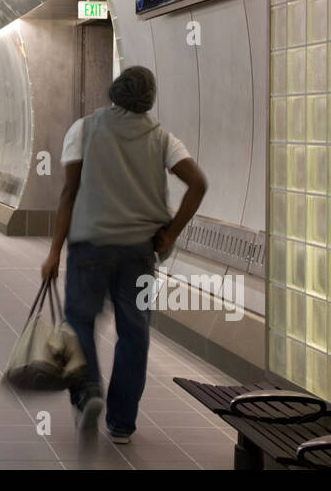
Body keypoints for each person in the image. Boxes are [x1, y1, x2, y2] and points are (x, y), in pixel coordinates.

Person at [40, 65, 208, 443]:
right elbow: (198, 183)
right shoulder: (162, 138)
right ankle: (122, 424)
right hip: (140, 252)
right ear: (148, 99)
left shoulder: (83, 129)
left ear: (113, 92)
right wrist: (170, 233)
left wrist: (53, 251)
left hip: (89, 246)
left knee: (80, 320)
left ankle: (87, 393)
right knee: (134, 332)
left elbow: (69, 192)